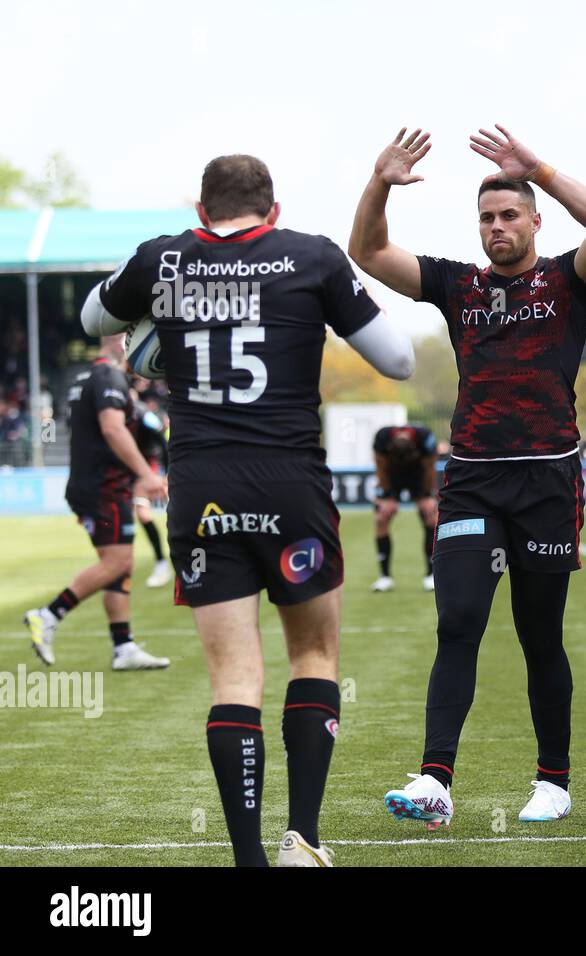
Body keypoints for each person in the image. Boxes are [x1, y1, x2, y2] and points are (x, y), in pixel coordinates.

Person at [80, 154, 414, 867]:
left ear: (201, 212)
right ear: (276, 210)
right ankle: (304, 839)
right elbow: (399, 361)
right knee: (314, 655)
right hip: (290, 483)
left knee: (235, 679)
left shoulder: (163, 259)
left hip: (201, 487)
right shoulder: (311, 256)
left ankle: (247, 860)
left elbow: (91, 316)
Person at [350, 126, 586, 827]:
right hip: (472, 479)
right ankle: (435, 781)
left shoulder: (568, 279)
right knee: (459, 622)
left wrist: (541, 169)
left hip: (546, 481)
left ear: (535, 220)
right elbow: (367, 252)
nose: (497, 226)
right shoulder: (457, 284)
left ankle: (554, 781)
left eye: (510, 215)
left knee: (540, 636)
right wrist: (381, 181)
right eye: (487, 218)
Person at [23, 335, 171, 671]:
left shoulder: (87, 378)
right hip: (105, 489)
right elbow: (112, 429)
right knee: (117, 563)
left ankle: (124, 647)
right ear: (121, 342)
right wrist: (144, 475)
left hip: (96, 487)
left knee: (121, 564)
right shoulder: (109, 377)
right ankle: (47, 615)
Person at [370, 422, 439, 592]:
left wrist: (427, 495)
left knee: (431, 517)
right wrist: (386, 496)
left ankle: (431, 575)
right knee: (381, 518)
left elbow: (430, 467)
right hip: (392, 476)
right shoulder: (382, 436)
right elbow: (380, 466)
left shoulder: (425, 437)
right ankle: (384, 577)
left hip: (419, 474)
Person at [131, 386, 173, 588]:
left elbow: (160, 439)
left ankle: (162, 563)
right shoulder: (111, 412)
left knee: (143, 512)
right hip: (130, 467)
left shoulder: (142, 412)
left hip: (149, 465)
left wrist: (166, 472)